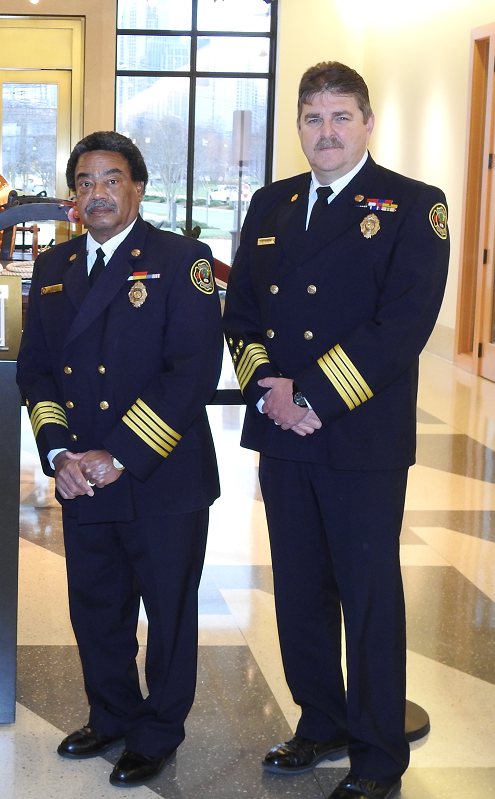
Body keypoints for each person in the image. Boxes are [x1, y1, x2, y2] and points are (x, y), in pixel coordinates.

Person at [222, 61, 450, 799]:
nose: (325, 131)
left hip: (358, 436)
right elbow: (241, 314)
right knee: (297, 587)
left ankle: (378, 753)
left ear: (367, 123)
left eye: (339, 116)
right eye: (312, 118)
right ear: (298, 126)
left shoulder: (414, 205)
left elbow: (401, 325)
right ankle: (318, 720)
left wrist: (314, 395)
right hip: (283, 433)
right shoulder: (271, 203)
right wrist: (270, 390)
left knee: (368, 594)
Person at [16, 131, 222, 788]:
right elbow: (36, 372)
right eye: (83, 181)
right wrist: (58, 452)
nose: (96, 193)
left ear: (136, 187)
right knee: (96, 605)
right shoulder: (52, 268)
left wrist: (119, 453)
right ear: (71, 196)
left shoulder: (182, 259)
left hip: (160, 474)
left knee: (166, 611)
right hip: (83, 477)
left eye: (109, 179)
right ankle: (109, 712)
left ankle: (157, 729)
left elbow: (191, 370)